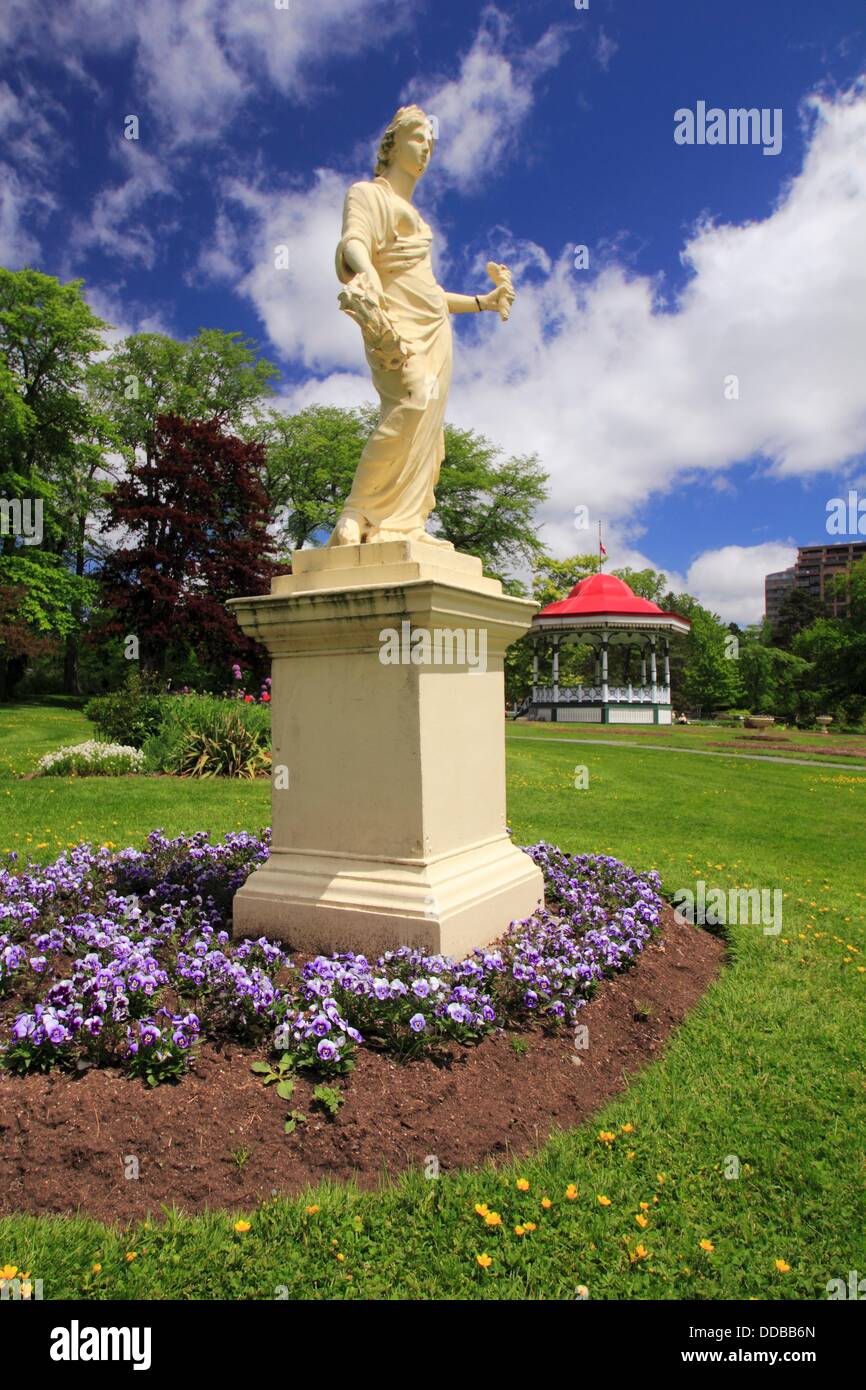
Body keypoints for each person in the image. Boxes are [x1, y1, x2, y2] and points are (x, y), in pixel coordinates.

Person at [328, 105, 514, 547]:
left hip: (434, 328)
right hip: (393, 322)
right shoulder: (367, 194)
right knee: (411, 400)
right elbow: (354, 240)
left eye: (431, 141)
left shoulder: (422, 222)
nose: (426, 146)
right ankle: (355, 513)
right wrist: (364, 270)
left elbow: (428, 289)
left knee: (426, 428)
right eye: (417, 137)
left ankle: (404, 523)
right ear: (392, 144)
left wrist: (481, 303)